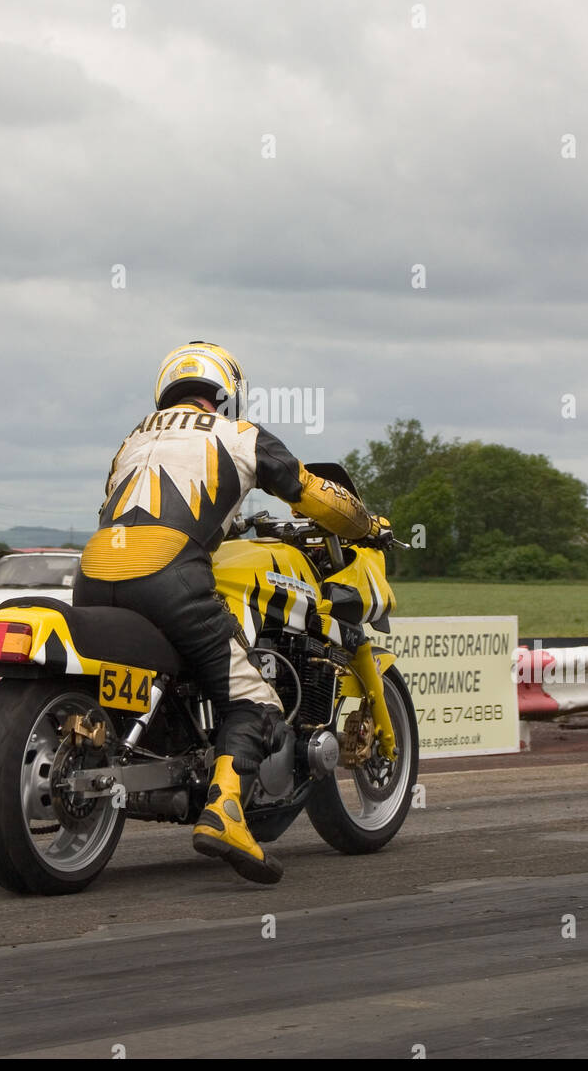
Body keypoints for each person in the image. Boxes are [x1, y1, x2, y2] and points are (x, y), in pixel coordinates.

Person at [73, 341, 387, 885]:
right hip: (167, 577)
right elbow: (315, 496)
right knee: (253, 697)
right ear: (225, 395)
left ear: (165, 392)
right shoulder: (240, 436)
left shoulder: (132, 441)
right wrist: (366, 525)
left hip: (93, 575)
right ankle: (226, 812)